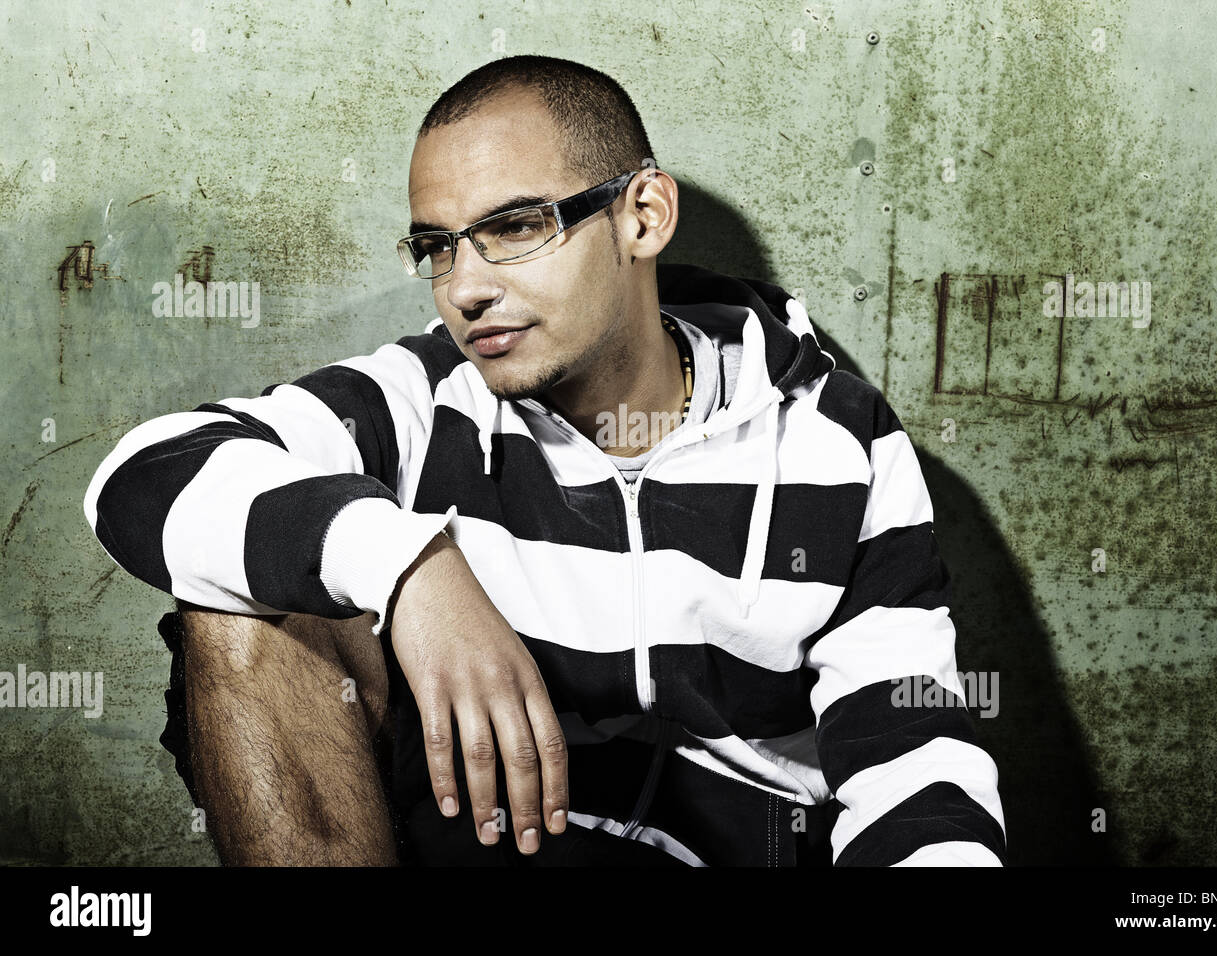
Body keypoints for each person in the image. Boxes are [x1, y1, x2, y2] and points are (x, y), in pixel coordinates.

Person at [83, 55, 1007, 866]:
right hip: (471, 833)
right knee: (239, 607)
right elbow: (140, 474)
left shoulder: (830, 437)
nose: (467, 288)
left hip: (737, 845)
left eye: (517, 227)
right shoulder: (423, 396)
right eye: (436, 247)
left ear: (642, 216)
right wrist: (411, 570)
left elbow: (912, 758)